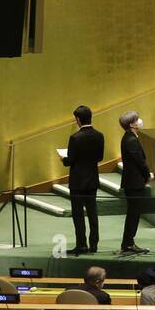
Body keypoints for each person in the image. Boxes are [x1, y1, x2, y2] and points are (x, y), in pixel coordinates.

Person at [62, 105, 104, 255]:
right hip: (92, 179)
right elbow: (100, 158)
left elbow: (70, 160)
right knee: (93, 214)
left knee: (78, 215)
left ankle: (81, 245)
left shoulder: (75, 138)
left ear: (78, 119)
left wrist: (64, 159)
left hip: (78, 181)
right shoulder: (100, 135)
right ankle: (94, 245)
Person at [117, 110, 152, 255]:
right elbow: (139, 161)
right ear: (132, 124)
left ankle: (128, 242)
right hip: (134, 182)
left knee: (134, 213)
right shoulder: (131, 139)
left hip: (133, 182)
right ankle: (128, 243)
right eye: (137, 119)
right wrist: (147, 174)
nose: (140, 121)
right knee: (133, 214)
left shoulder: (130, 137)